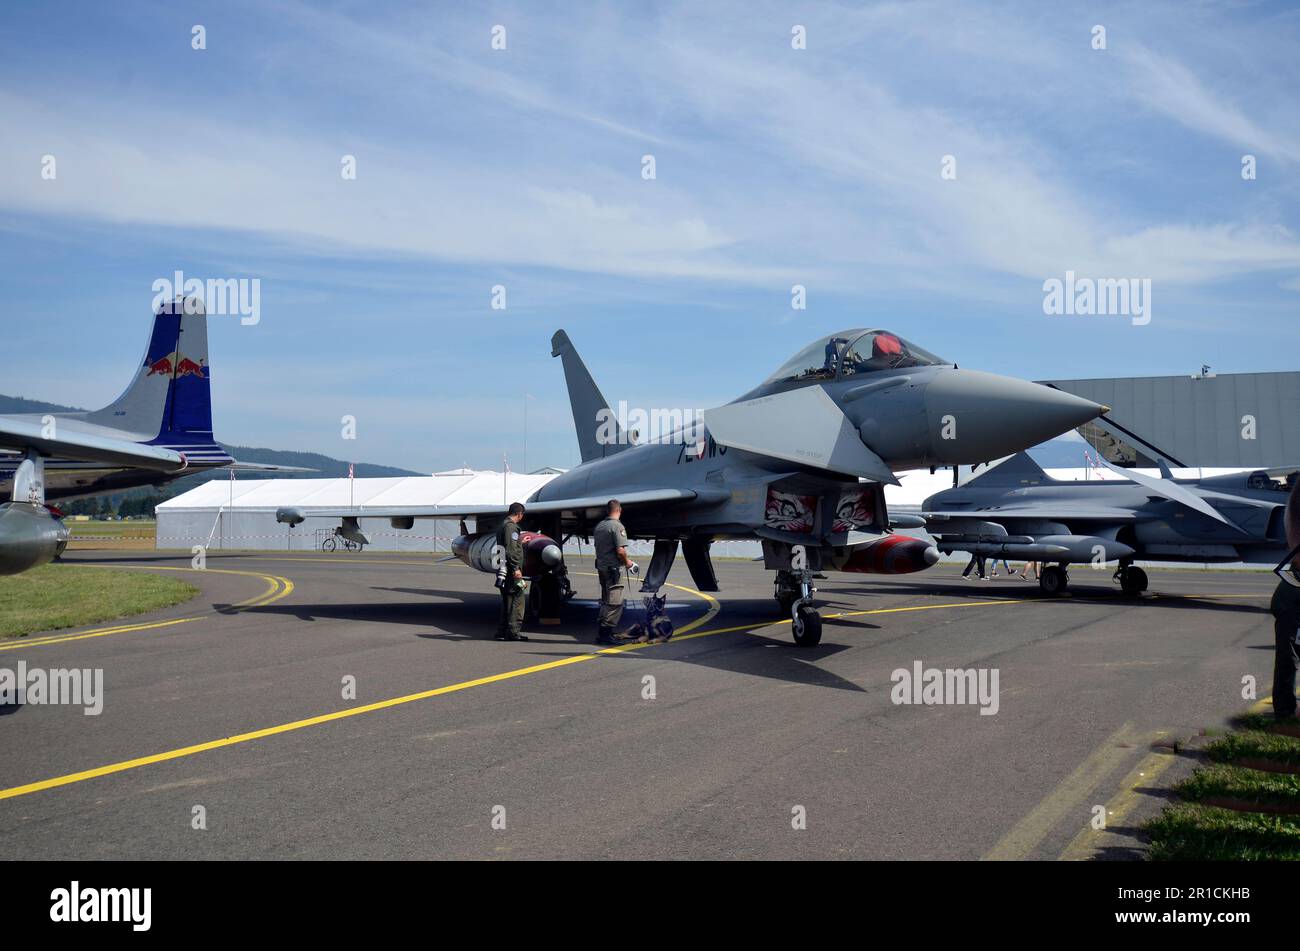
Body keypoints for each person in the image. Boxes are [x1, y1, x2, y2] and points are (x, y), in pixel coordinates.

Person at [1270, 480, 1300, 719]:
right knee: (1288, 656)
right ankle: (1284, 709)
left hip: (1290, 588)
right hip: (1292, 592)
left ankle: (1284, 708)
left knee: (1287, 656)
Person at [593, 499, 638, 645]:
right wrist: (628, 563)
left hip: (602, 568)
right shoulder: (617, 527)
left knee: (606, 600)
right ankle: (606, 634)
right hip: (613, 571)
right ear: (619, 510)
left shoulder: (600, 526)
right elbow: (620, 550)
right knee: (615, 602)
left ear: (607, 511)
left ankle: (603, 631)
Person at [494, 502, 528, 642]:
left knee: (507, 600)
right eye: (522, 515)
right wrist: (516, 569)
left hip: (503, 568)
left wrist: (519, 542)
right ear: (519, 514)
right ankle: (513, 632)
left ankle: (502, 632)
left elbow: (508, 545)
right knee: (517, 598)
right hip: (511, 570)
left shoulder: (503, 525)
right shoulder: (511, 527)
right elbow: (510, 550)